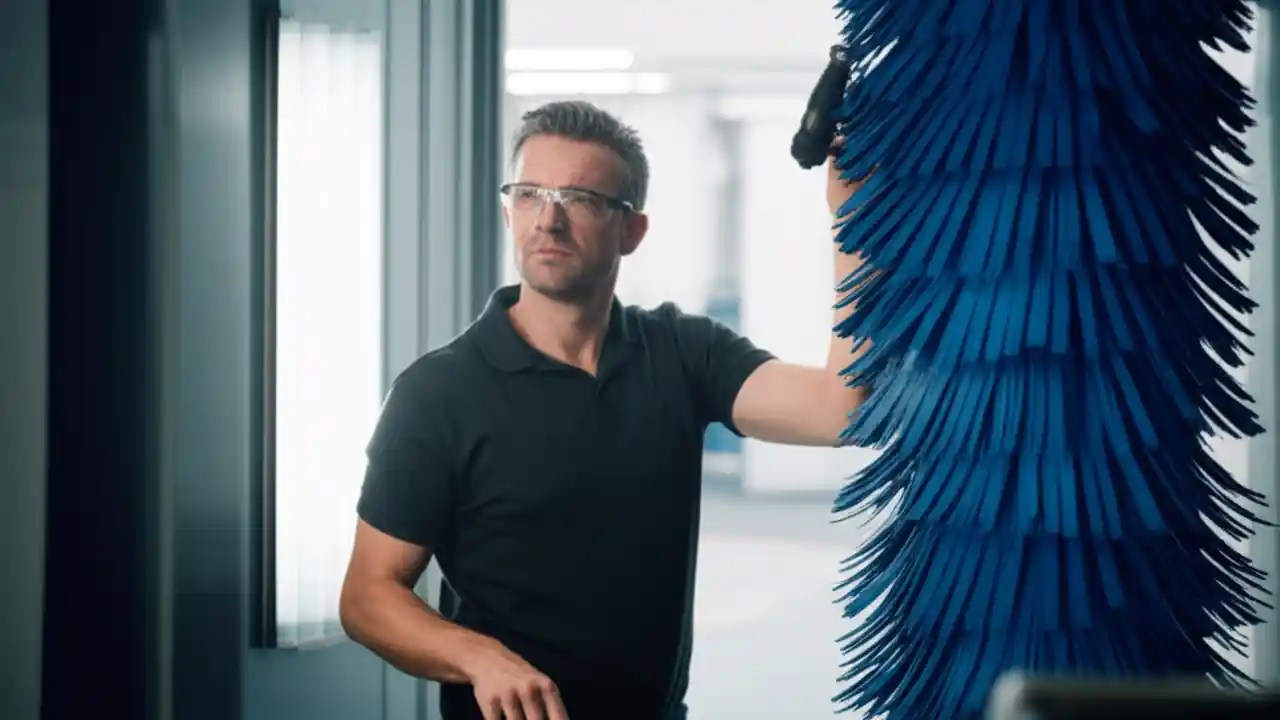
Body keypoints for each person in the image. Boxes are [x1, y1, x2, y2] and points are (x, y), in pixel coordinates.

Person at [339, 100, 866, 720]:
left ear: (632, 231)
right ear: (509, 210)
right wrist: (480, 657)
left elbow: (839, 410)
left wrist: (854, 220)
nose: (549, 221)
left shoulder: (681, 352)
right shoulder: (439, 392)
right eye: (532, 193)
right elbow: (367, 597)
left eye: (581, 199)